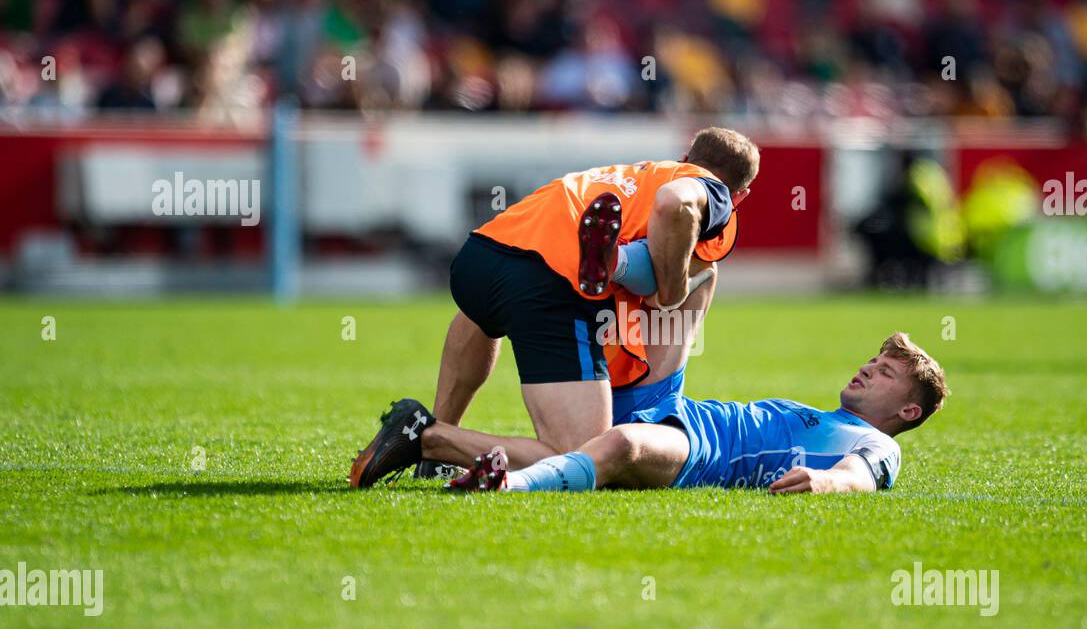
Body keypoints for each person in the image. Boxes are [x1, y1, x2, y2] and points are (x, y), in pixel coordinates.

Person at [349, 126, 760, 488]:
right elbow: (676, 203)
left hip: (483, 253)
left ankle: (440, 440)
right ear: (741, 194)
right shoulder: (712, 192)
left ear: (684, 156)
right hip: (549, 284)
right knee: (585, 456)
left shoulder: (632, 173)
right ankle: (427, 438)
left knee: (485, 314)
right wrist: (672, 293)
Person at [433, 331, 949, 496]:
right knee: (702, 277)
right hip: (679, 408)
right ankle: (427, 437)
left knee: (622, 446)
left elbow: (860, 476)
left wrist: (826, 482)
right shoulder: (821, 415)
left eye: (884, 372)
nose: (866, 368)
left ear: (908, 408)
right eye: (873, 360)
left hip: (706, 452)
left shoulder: (880, 445)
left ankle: (503, 485)